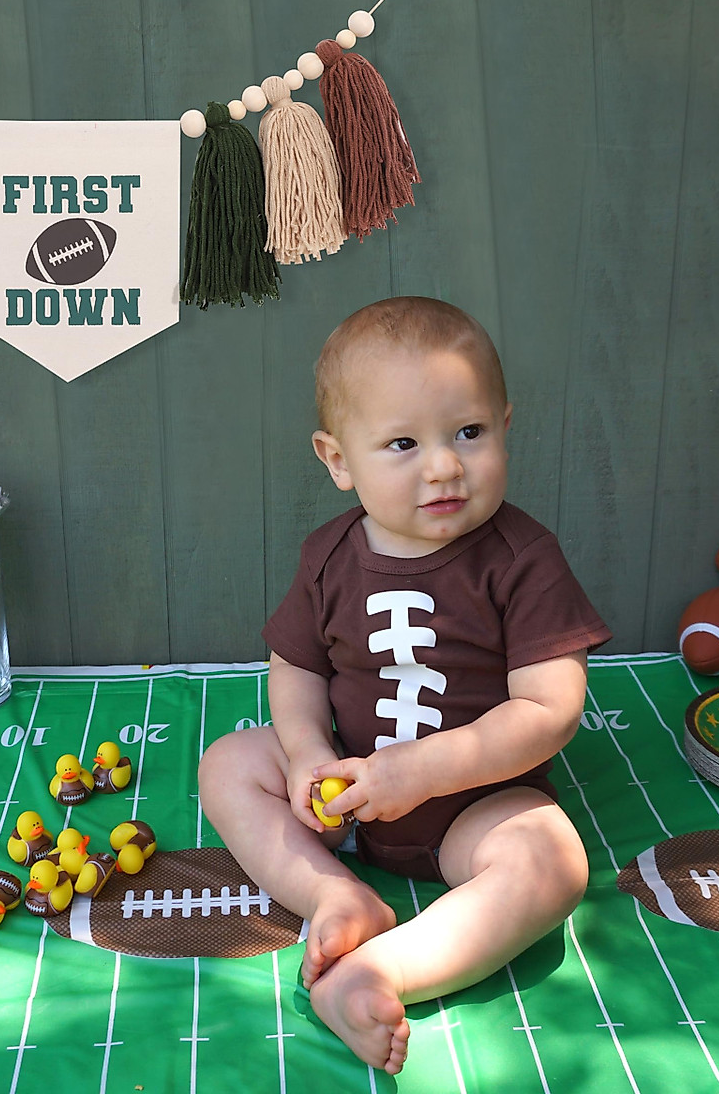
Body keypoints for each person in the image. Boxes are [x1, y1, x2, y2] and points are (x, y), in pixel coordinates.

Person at [197, 296, 611, 1075]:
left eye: (469, 432)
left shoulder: (522, 559)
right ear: (337, 459)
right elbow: (297, 667)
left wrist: (421, 772)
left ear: (505, 426)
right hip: (347, 792)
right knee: (228, 762)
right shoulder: (328, 556)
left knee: (553, 859)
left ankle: (382, 969)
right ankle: (333, 897)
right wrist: (305, 752)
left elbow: (551, 710)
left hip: (473, 809)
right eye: (401, 443)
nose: (445, 464)